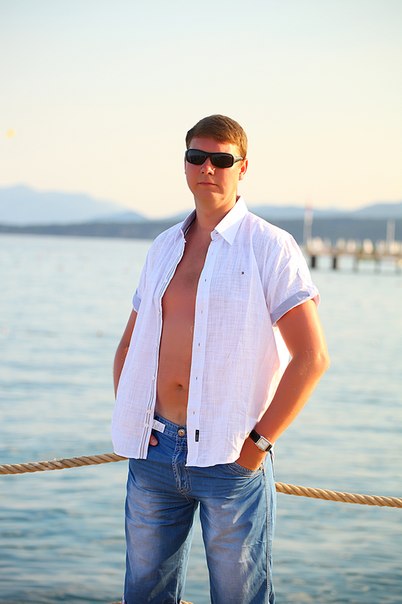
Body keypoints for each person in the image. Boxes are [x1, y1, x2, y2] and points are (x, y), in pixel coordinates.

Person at [112, 114, 329, 604]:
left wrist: (257, 446)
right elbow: (129, 345)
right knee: (143, 594)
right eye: (197, 157)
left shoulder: (269, 246)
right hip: (154, 452)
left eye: (221, 159)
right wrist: (133, 420)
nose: (207, 168)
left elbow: (312, 358)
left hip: (231, 456)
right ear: (185, 163)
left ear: (242, 167)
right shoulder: (163, 247)